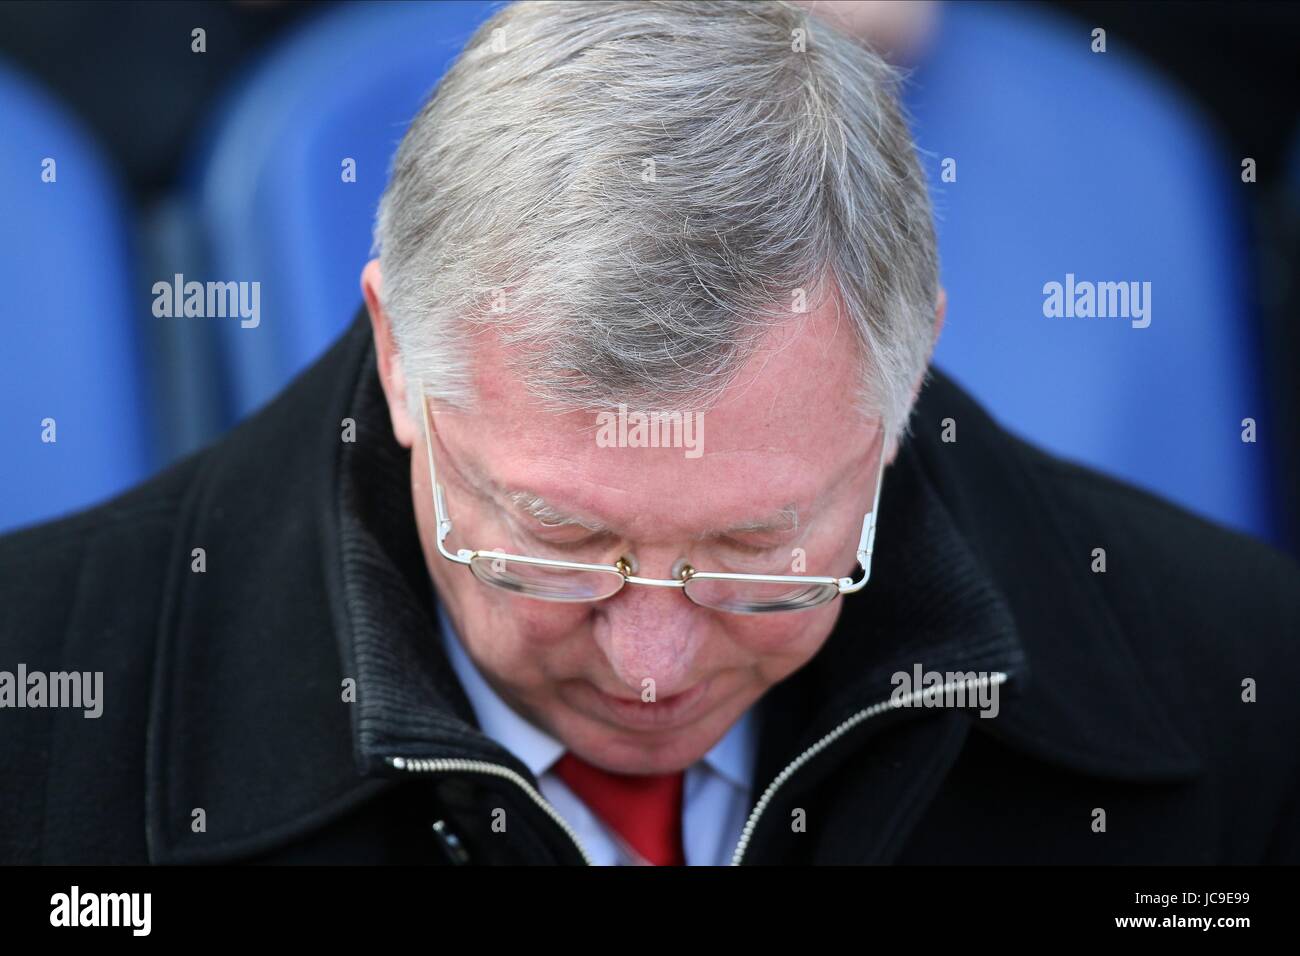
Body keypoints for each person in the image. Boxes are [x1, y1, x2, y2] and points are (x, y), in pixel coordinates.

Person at [1, 0, 1297, 866]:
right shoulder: (40, 749)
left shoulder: (1251, 693)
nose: (654, 667)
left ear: (903, 392)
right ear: (399, 360)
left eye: (759, 545)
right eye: (558, 536)